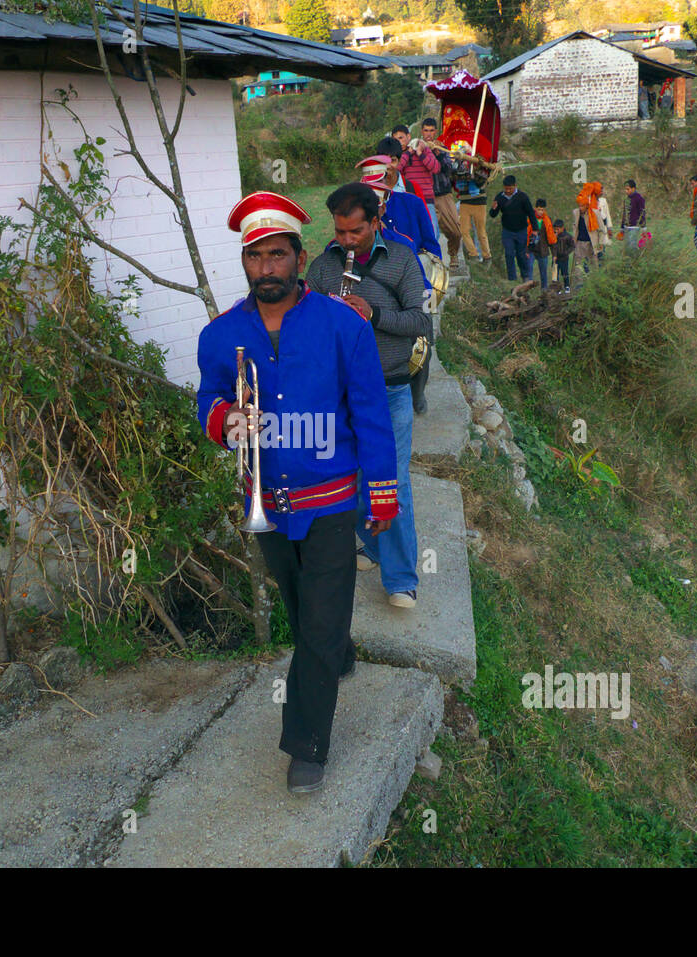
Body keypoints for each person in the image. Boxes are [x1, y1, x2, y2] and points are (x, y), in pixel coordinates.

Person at [197, 191, 399, 794]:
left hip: (334, 503)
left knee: (314, 626)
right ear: (245, 262)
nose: (267, 268)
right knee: (303, 608)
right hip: (269, 505)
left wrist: (382, 492)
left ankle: (307, 744)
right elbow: (206, 398)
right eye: (256, 257)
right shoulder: (219, 334)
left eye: (278, 255)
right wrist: (223, 420)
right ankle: (337, 651)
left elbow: (370, 412)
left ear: (299, 256)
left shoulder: (345, 324)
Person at [305, 183, 430, 612]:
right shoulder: (323, 269)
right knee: (350, 480)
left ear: (375, 223)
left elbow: (422, 322)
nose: (345, 241)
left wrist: (372, 314)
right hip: (339, 395)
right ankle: (375, 548)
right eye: (339, 232)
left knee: (388, 481)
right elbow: (303, 330)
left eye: (355, 232)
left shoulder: (401, 261)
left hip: (390, 389)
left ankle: (401, 579)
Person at [356, 153, 437, 416]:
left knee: (422, 343)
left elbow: (431, 251)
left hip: (408, 301)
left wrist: (426, 300)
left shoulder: (410, 210)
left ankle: (418, 391)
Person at [421, 117, 464, 268]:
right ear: (422, 132)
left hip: (443, 194)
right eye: (426, 131)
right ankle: (429, 262)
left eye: (432, 131)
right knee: (429, 232)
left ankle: (453, 254)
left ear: (436, 132)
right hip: (424, 196)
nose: (429, 134)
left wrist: (438, 153)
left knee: (456, 231)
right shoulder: (417, 148)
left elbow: (449, 169)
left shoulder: (443, 149)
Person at [393, 123, 441, 236]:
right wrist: (408, 154)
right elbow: (396, 169)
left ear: (408, 137)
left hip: (426, 197)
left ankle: (433, 253)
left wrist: (420, 153)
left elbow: (436, 168)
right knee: (412, 232)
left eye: (401, 138)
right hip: (410, 197)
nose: (399, 141)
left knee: (433, 231)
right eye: (396, 139)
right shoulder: (398, 156)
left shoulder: (423, 148)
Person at [489, 174, 538, 281]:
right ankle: (512, 278)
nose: (508, 191)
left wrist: (535, 229)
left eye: (510, 188)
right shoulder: (500, 197)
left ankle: (525, 276)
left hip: (521, 230)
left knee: (521, 255)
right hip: (507, 231)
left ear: (515, 186)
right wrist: (493, 209)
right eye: (506, 188)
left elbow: (531, 213)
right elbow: (493, 214)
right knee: (509, 254)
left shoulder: (523, 197)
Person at [451, 142, 492, 264]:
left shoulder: (479, 165)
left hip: (479, 202)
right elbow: (454, 178)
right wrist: (458, 167)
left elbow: (482, 180)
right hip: (465, 201)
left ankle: (486, 255)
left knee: (480, 231)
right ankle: (473, 253)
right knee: (463, 230)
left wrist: (475, 167)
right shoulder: (456, 167)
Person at [527, 198, 556, 290]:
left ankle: (544, 290)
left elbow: (551, 238)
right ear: (535, 208)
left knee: (543, 272)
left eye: (542, 210)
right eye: (539, 209)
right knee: (529, 269)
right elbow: (525, 235)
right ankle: (527, 288)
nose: (540, 212)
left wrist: (554, 253)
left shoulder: (548, 220)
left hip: (543, 250)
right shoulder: (529, 219)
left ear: (545, 210)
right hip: (531, 249)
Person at [622, 179, 646, 258]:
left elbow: (642, 213)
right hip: (626, 227)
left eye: (628, 189)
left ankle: (634, 261)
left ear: (633, 189)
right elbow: (624, 214)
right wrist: (622, 227)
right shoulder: (626, 200)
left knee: (632, 246)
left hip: (634, 227)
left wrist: (643, 226)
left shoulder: (639, 199)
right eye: (625, 189)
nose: (626, 191)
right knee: (627, 247)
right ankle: (628, 263)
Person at [552, 219, 574, 293]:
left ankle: (567, 286)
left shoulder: (567, 236)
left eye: (558, 229)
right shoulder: (554, 235)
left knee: (565, 273)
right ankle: (557, 288)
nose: (556, 230)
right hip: (555, 258)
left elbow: (572, 246)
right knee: (555, 274)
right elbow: (553, 246)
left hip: (564, 258)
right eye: (555, 229)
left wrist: (566, 252)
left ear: (562, 228)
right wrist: (554, 255)